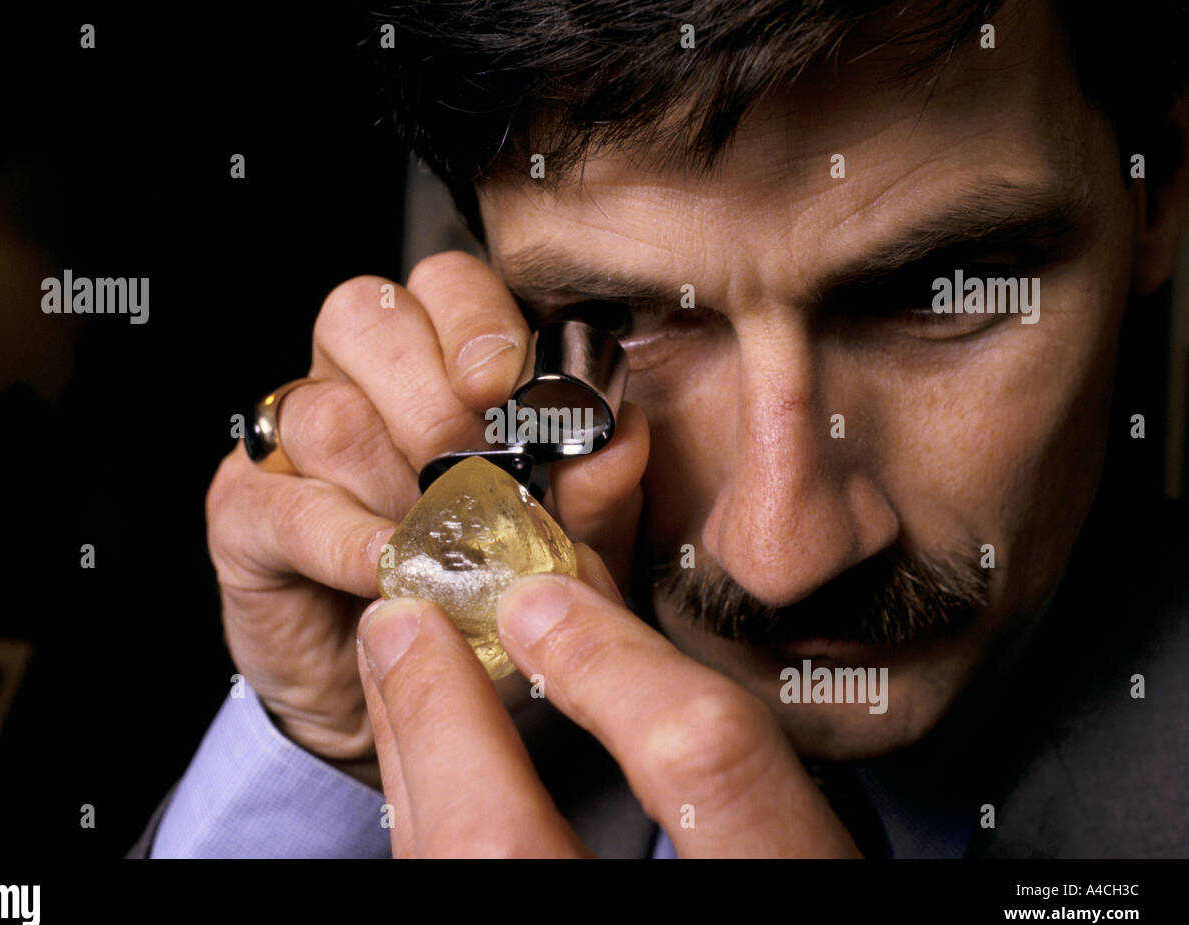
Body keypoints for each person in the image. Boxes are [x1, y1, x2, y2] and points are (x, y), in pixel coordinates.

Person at [132, 0, 1189, 857]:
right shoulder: (482, 675)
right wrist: (336, 757)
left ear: (1157, 198)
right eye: (618, 323)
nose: (781, 559)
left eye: (933, 291)